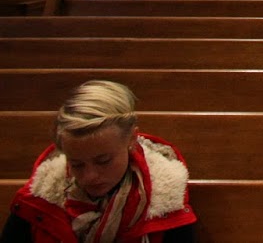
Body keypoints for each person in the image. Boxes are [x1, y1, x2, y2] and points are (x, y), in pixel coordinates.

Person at [3, 80, 198, 243]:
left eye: (103, 161)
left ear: (131, 139)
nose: (90, 176)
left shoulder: (166, 204)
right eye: (77, 164)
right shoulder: (38, 200)